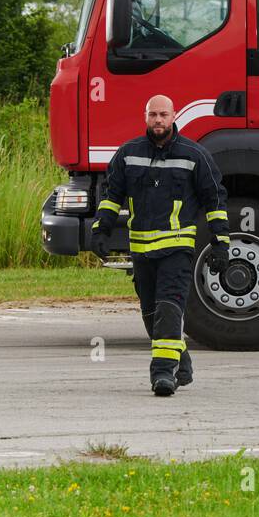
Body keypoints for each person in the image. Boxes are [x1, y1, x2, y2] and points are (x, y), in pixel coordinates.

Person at [90, 94, 230, 396]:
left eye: (163, 114)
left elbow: (214, 199)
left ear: (174, 115)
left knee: (169, 308)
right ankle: (181, 363)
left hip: (177, 250)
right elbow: (111, 196)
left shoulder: (195, 155)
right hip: (141, 251)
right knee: (151, 315)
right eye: (153, 114)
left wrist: (221, 242)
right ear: (145, 117)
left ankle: (163, 375)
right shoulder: (127, 154)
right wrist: (101, 230)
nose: (158, 120)